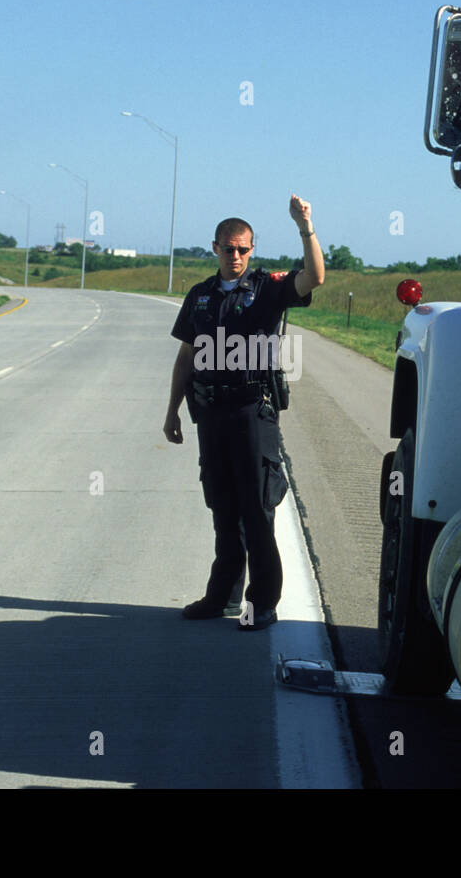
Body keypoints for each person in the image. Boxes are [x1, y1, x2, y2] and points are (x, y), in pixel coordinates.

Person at [163, 195, 325, 631]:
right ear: (214, 248)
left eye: (243, 249)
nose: (235, 255)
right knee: (222, 507)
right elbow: (186, 356)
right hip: (211, 415)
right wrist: (172, 411)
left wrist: (305, 226)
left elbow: (315, 277)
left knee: (257, 510)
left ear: (251, 251)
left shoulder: (267, 289)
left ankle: (262, 603)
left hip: (253, 412)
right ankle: (222, 597)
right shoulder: (199, 297)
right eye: (227, 248)